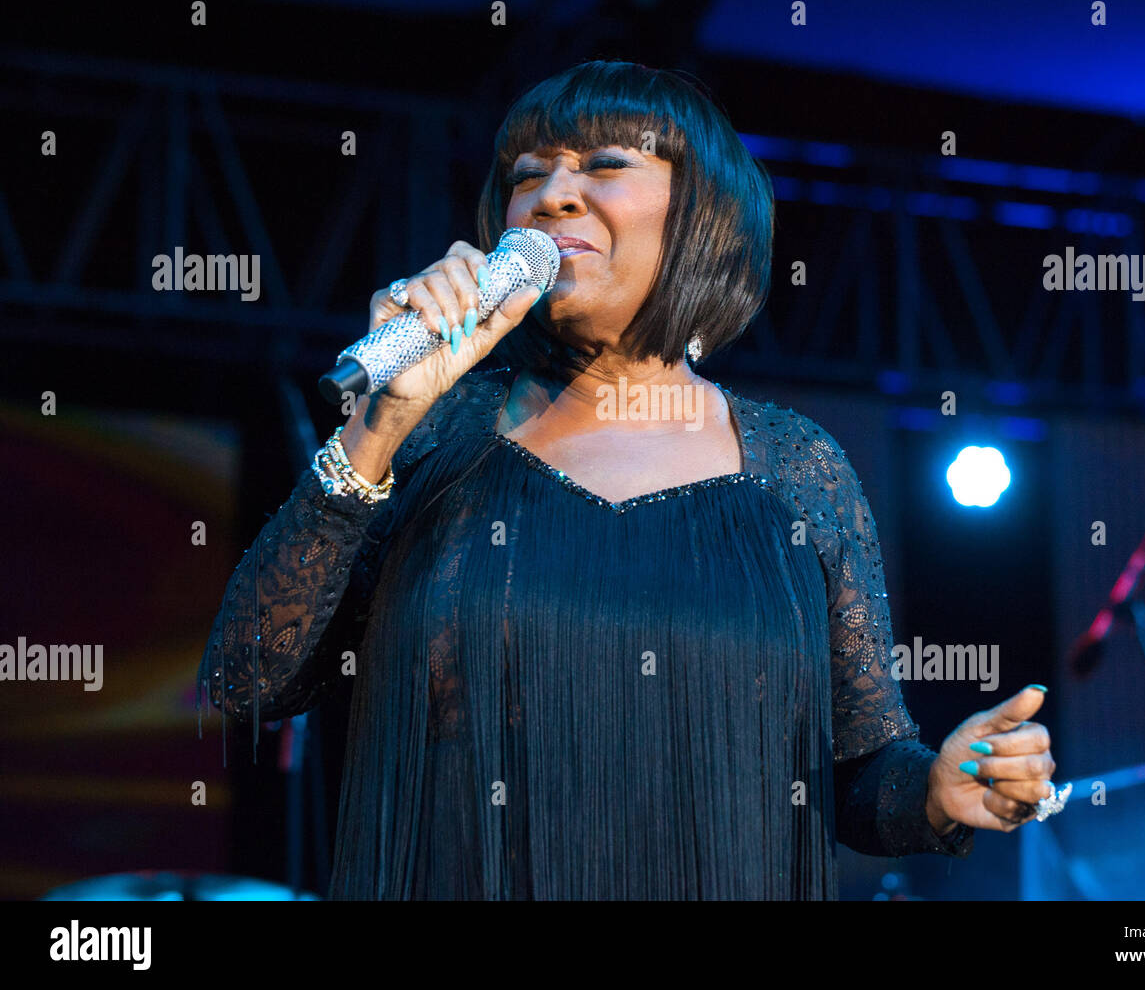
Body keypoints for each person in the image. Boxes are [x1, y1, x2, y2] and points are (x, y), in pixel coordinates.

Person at [198, 60, 1060, 900]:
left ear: (703, 216)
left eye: (605, 165)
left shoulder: (797, 468)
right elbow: (246, 677)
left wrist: (942, 790)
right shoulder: (435, 433)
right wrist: (379, 423)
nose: (552, 195)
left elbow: (857, 768)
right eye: (527, 177)